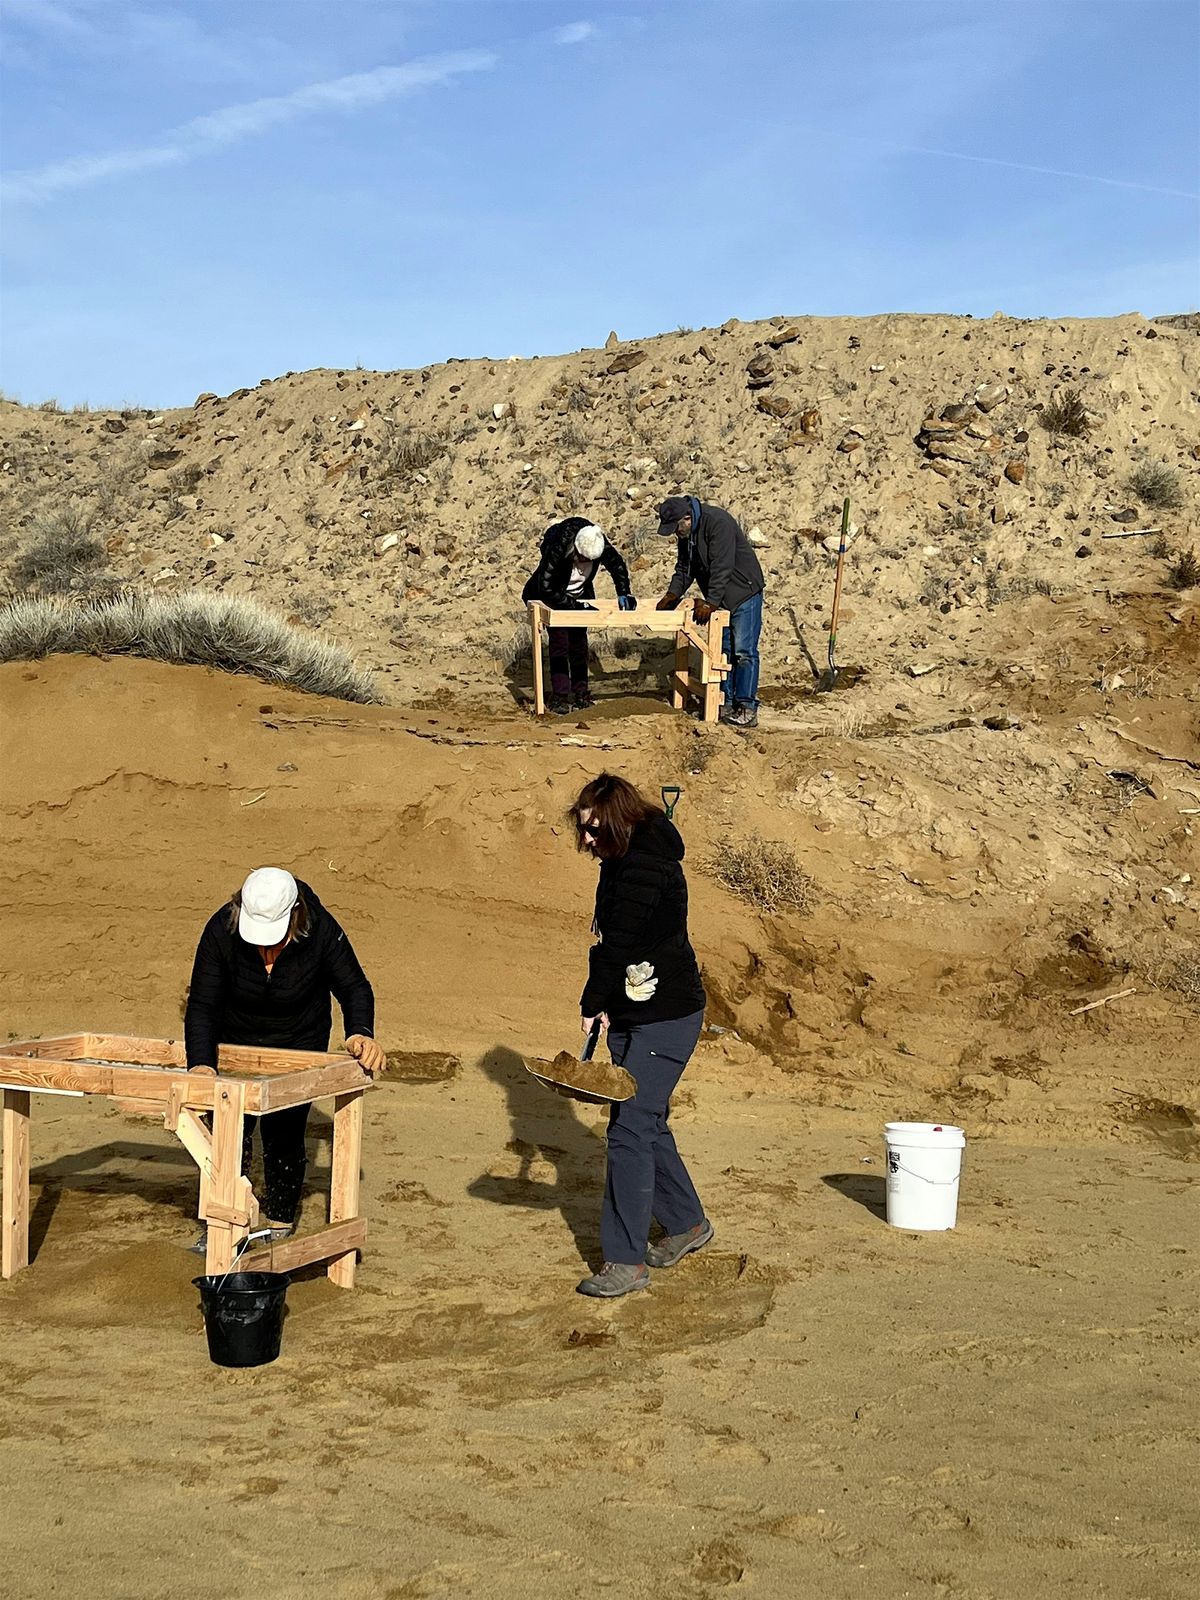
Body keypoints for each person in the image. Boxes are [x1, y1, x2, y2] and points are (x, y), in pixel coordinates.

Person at [184, 867, 385, 1250]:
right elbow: (203, 1004)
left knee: (285, 1133)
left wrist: (360, 1031)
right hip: (234, 1041)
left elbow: (354, 986)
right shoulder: (219, 930)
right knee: (227, 1132)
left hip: (298, 1039)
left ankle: (279, 1219)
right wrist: (202, 1063)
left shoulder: (322, 930)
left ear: (296, 915)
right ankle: (220, 1223)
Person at [568, 773, 713, 1298]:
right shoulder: (620, 859)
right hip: (636, 1009)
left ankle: (625, 1262)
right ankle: (687, 1224)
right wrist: (610, 1005)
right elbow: (617, 945)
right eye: (582, 830)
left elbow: (617, 945)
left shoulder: (644, 867)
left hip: (666, 1016)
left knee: (628, 1130)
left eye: (593, 830)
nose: (585, 840)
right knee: (646, 1123)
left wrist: (593, 1003)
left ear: (620, 821)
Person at [654, 495, 765, 729]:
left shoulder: (717, 523)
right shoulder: (687, 533)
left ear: (687, 517)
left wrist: (711, 602)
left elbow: (722, 566)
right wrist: (672, 594)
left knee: (743, 651)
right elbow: (685, 567)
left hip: (743, 592)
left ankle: (746, 707)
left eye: (675, 527)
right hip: (721, 596)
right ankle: (724, 702)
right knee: (723, 652)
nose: (675, 533)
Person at [522, 515, 635, 713]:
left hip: (580, 596)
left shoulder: (597, 540)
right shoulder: (558, 546)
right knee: (560, 644)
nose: (584, 564)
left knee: (579, 645)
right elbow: (546, 586)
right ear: (575, 550)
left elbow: (616, 564)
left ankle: (581, 694)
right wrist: (572, 605)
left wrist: (624, 592)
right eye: (582, 559)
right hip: (554, 596)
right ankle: (560, 696)